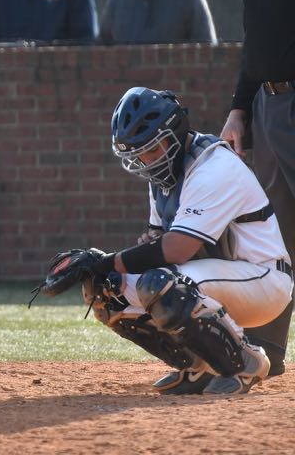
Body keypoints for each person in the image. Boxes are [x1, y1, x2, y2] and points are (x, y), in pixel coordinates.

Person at [49, 87, 291, 395]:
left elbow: (176, 249)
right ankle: (200, 364)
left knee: (162, 284)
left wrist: (105, 260)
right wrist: (107, 271)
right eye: (138, 153)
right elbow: (157, 241)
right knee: (107, 290)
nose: (145, 160)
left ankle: (247, 361)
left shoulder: (214, 167)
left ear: (174, 134)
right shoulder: (164, 175)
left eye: (151, 149)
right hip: (215, 279)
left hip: (264, 281)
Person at [220, 0, 295, 377]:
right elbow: (255, 32)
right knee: (274, 234)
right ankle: (266, 350)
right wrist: (239, 106)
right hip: (270, 105)